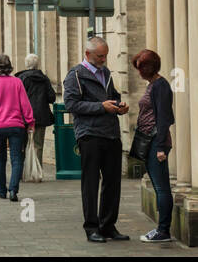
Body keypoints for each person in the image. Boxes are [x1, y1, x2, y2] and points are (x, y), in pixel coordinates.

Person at [63, 36, 129, 243]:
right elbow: (71, 105)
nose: (104, 59)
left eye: (106, 55)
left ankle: (108, 225)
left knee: (112, 182)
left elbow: (113, 96)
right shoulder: (75, 75)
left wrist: (119, 106)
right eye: (100, 56)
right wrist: (101, 107)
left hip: (111, 133)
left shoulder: (106, 73)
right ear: (88, 54)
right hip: (89, 135)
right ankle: (91, 227)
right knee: (91, 183)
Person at [131, 49, 174, 243]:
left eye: (141, 68)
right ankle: (160, 229)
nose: (139, 72)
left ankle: (164, 231)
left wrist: (160, 148)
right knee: (158, 187)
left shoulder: (161, 86)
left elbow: (164, 118)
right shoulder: (152, 85)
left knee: (162, 187)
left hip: (157, 142)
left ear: (149, 68)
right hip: (150, 142)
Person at [0, 53, 34, 201]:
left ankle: (1, 191)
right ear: (9, 67)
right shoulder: (17, 82)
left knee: (0, 158)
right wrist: (30, 122)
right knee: (17, 159)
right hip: (16, 126)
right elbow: (25, 104)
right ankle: (13, 190)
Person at [16, 54, 56, 176]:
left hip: (23, 117)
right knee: (38, 145)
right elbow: (52, 97)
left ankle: (23, 172)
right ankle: (36, 173)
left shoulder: (21, 79)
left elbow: (16, 99)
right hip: (41, 116)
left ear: (26, 64)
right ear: (37, 64)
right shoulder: (44, 79)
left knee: (22, 145)